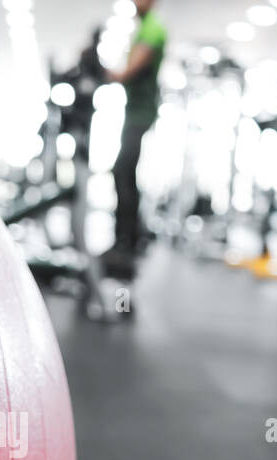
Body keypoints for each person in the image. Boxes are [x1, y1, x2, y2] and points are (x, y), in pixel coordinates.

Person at [104, 0, 166, 265]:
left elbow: (128, 72)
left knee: (122, 171)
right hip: (135, 112)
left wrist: (106, 72)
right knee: (124, 172)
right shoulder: (144, 28)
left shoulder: (153, 29)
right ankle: (129, 236)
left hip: (141, 113)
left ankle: (126, 240)